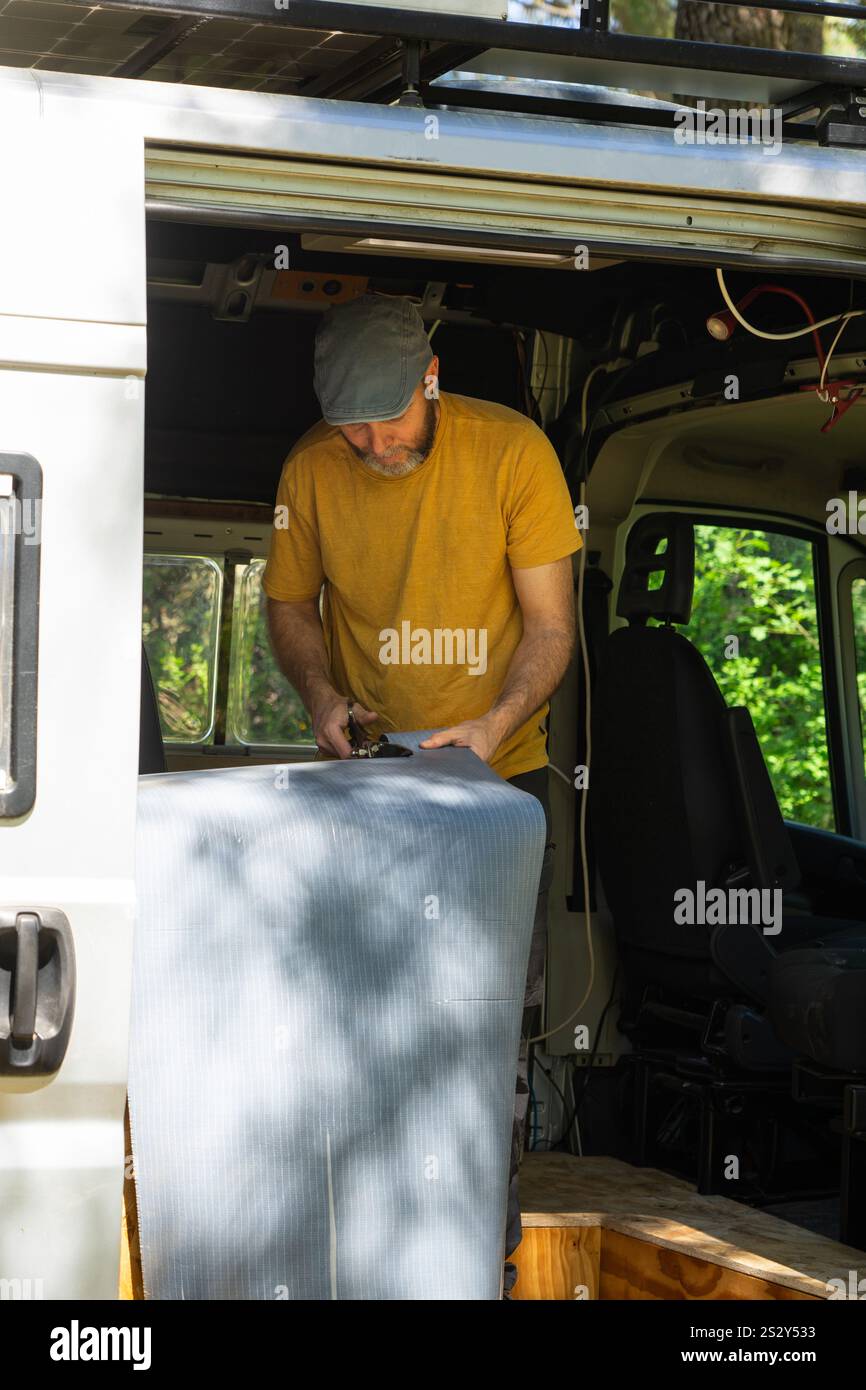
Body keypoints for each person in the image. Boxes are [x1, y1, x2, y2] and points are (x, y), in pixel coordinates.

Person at [262, 292, 581, 1298]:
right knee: (345, 1017)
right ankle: (341, 1255)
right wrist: (320, 694)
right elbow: (285, 601)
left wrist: (486, 731)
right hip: (366, 778)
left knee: (479, 1033)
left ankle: (471, 1260)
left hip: (494, 777)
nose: (369, 442)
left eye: (385, 420)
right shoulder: (312, 466)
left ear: (430, 380)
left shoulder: (515, 452)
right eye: (349, 425)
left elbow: (548, 630)